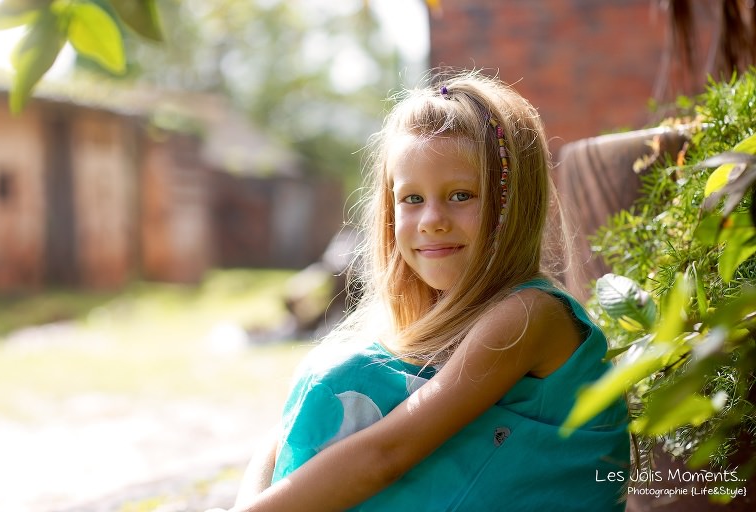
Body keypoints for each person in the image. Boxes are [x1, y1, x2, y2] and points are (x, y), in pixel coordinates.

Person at [216, 70, 630, 511]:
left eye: (460, 195)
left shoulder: (529, 315)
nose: (431, 219)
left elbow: (386, 454)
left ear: (513, 204)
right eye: (412, 199)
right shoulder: (434, 321)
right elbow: (280, 440)